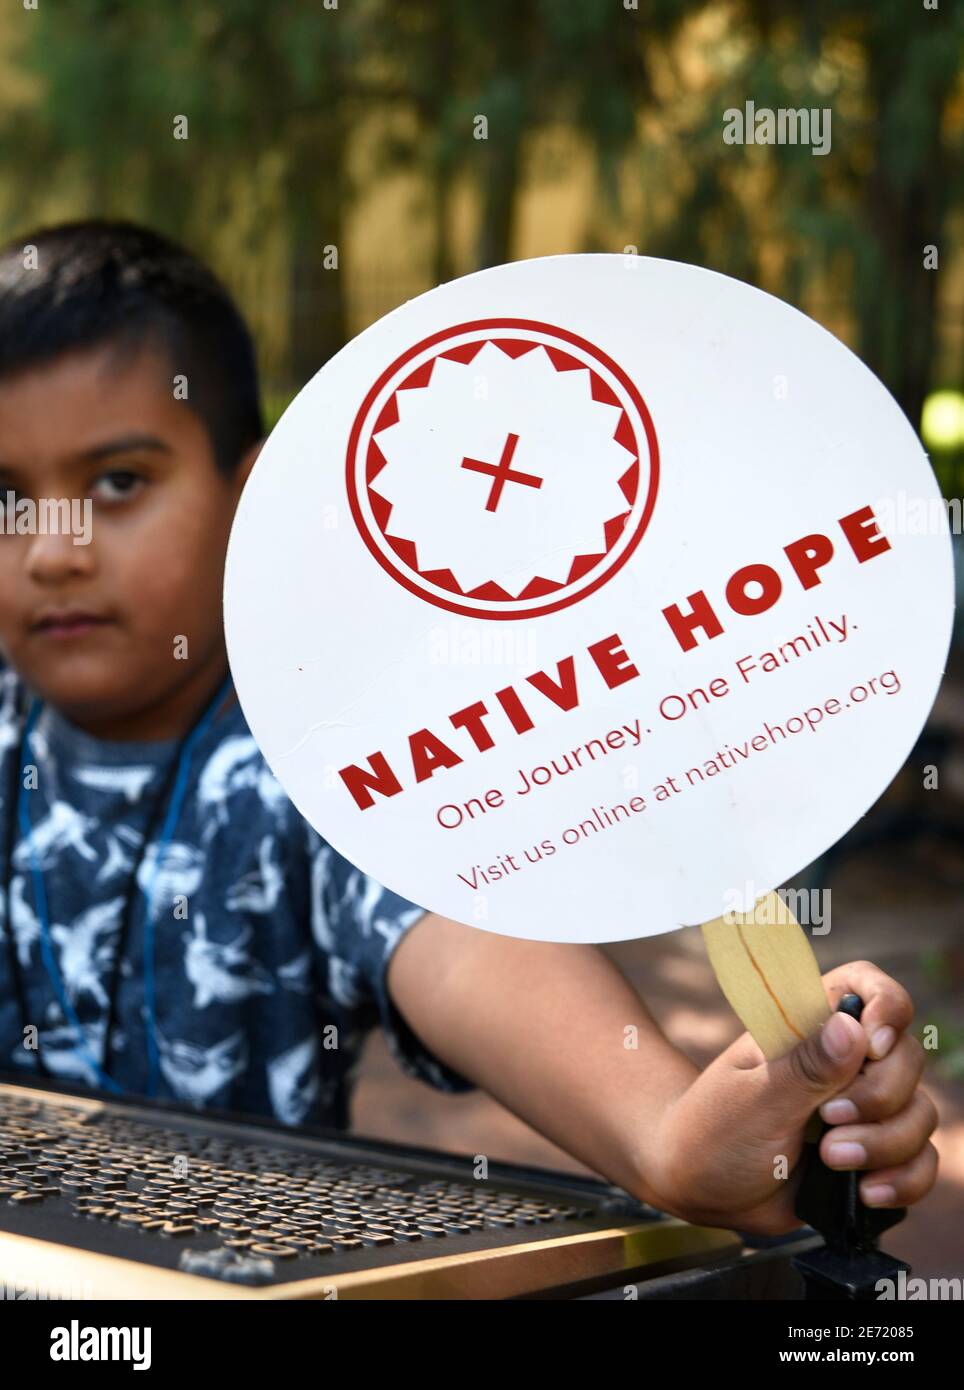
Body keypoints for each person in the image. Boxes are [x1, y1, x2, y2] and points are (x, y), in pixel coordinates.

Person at [0, 220, 938, 1236]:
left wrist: (675, 1135)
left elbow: (455, 945)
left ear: (251, 494)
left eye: (118, 482)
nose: (55, 550)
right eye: (7, 497)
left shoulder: (329, 776)